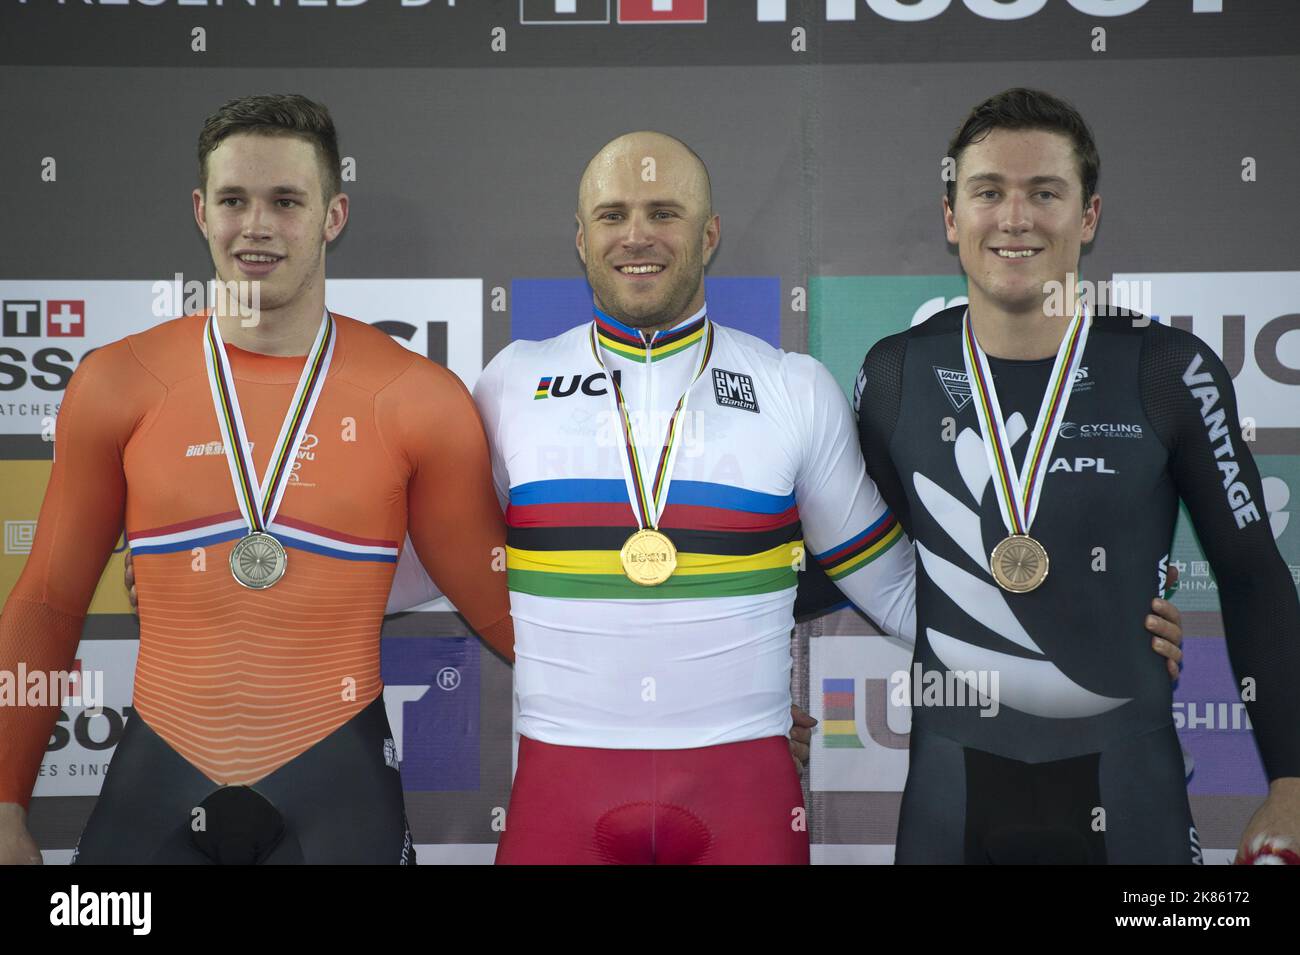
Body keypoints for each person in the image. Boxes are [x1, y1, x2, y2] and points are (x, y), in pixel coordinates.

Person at [383, 129, 1185, 864]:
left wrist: (1096, 623)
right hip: (559, 786)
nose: (637, 235)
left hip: (744, 790)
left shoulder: (791, 388)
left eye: (665, 212)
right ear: (582, 236)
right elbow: (432, 563)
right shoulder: (510, 382)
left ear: (709, 235)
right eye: (612, 214)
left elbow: (901, 591)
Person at [0, 94, 514, 864]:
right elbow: (47, 600)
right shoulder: (118, 381)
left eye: (286, 201)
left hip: (340, 789)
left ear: (333, 215)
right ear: (202, 212)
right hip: (156, 783)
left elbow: (504, 606)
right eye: (235, 200)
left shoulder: (417, 398)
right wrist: (6, 804)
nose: (258, 225)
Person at [838, 88, 1300, 863]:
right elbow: (840, 558)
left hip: (1130, 786)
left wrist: (1291, 776)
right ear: (952, 218)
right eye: (988, 193)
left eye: (1045, 193)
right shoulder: (895, 374)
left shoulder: (1165, 369)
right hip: (951, 794)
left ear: (1088, 217)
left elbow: (1253, 575)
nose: (1015, 218)